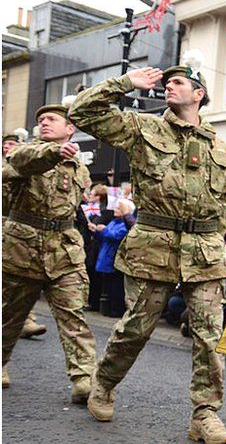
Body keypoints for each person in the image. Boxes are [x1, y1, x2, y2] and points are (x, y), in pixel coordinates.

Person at [69, 63, 226, 444]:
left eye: (179, 82)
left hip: (205, 250)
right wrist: (126, 83)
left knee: (210, 334)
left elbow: (224, 203)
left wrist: (215, 239)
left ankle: (205, 414)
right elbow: (82, 113)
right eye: (167, 81)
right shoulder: (144, 127)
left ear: (199, 94)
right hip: (155, 242)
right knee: (137, 328)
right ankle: (104, 383)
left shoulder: (218, 144)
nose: (169, 86)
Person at [1, 102, 98, 399]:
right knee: (10, 315)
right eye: (41, 119)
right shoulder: (23, 152)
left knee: (74, 316)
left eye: (52, 119)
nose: (44, 122)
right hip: (23, 248)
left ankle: (85, 378)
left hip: (64, 252)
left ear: (70, 129)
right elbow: (23, 161)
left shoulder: (79, 167)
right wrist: (54, 152)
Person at [2, 132, 49, 340]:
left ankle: (27, 320)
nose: (7, 147)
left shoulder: (25, 166)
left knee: (20, 277)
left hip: (15, 226)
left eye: (12, 144)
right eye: (6, 144)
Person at [94, 197, 136, 317]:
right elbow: (105, 236)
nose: (116, 209)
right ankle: (109, 307)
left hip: (115, 257)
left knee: (116, 286)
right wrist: (97, 231)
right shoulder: (113, 221)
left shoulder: (124, 224)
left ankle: (116, 309)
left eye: (119, 207)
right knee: (107, 285)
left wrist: (104, 230)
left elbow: (117, 236)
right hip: (106, 255)